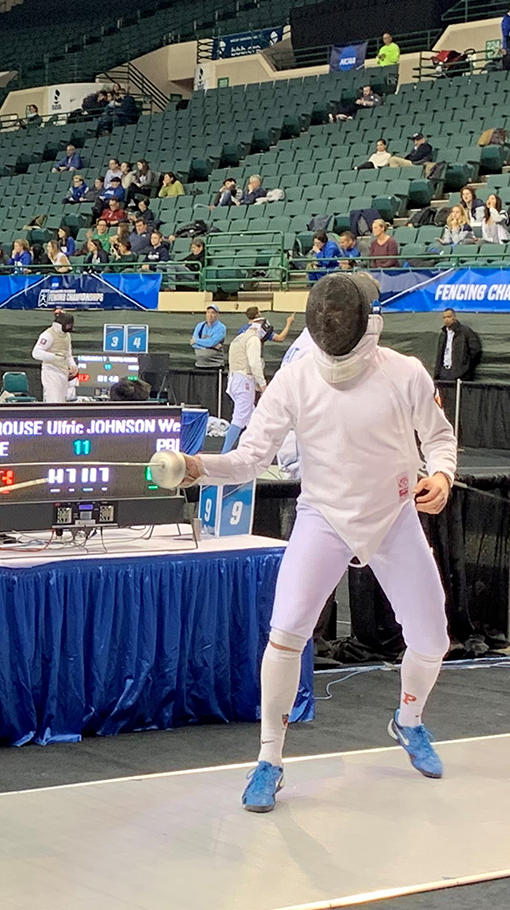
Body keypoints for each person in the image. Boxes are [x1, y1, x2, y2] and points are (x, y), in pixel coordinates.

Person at [149, 273, 455, 811]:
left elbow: (439, 437)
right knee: (285, 635)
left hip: (394, 515)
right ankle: (269, 759)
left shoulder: (404, 374)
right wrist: (198, 466)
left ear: (369, 326)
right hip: (323, 518)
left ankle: (408, 721)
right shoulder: (294, 380)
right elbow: (248, 458)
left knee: (432, 639)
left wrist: (443, 475)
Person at [223, 308, 274, 450]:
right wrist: (263, 385)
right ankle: (224, 455)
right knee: (239, 419)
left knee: (253, 418)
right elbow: (254, 363)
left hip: (234, 380)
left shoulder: (239, 338)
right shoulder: (253, 339)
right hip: (244, 381)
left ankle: (255, 451)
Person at [32, 309, 77, 403]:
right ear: (61, 325)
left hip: (63, 372)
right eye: (68, 325)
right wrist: (54, 357)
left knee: (62, 401)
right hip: (51, 371)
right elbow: (36, 353)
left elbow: (68, 354)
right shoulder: (48, 335)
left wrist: (73, 365)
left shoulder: (67, 336)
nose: (69, 327)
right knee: (53, 400)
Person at [433, 309, 481, 381]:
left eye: (449, 317)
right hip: (444, 372)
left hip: (460, 374)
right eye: (444, 317)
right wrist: (438, 373)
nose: (446, 320)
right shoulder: (443, 334)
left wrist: (465, 368)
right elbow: (440, 355)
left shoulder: (465, 331)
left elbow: (476, 351)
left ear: (454, 317)